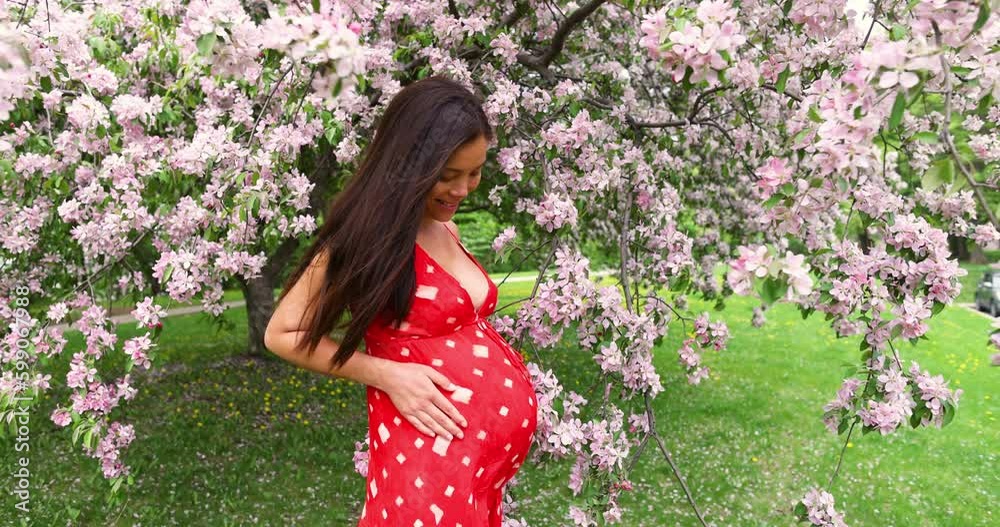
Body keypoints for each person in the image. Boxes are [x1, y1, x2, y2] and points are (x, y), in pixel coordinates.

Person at [264, 75, 538, 527]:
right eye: (447, 176)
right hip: (428, 471)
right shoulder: (363, 239)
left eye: (474, 172)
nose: (463, 189)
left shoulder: (444, 227)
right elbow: (281, 334)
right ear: (409, 164)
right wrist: (386, 373)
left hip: (476, 474)